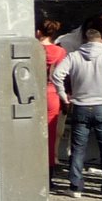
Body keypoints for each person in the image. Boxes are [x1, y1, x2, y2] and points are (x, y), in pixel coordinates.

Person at [50, 27, 102, 200]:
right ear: (101, 40)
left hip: (80, 105)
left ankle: (75, 187)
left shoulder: (74, 56)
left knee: (78, 148)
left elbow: (57, 75)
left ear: (85, 41)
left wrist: (63, 94)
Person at [36, 18, 66, 170]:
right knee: (51, 132)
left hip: (34, 93)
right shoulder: (60, 51)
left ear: (38, 32)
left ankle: (33, 165)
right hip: (52, 93)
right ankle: (49, 169)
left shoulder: (33, 49)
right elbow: (62, 75)